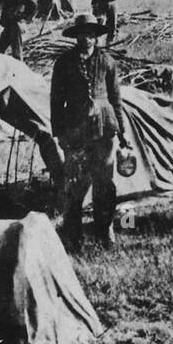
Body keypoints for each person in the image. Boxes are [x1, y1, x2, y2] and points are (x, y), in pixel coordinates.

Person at [50, 14, 129, 249]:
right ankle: (74, 235)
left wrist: (122, 132)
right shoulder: (64, 63)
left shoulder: (107, 61)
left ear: (97, 36)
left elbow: (116, 99)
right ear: (76, 36)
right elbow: (56, 100)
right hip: (75, 129)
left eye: (91, 34)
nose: (87, 39)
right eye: (82, 34)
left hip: (105, 130)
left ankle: (104, 233)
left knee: (104, 182)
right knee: (76, 182)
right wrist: (60, 134)